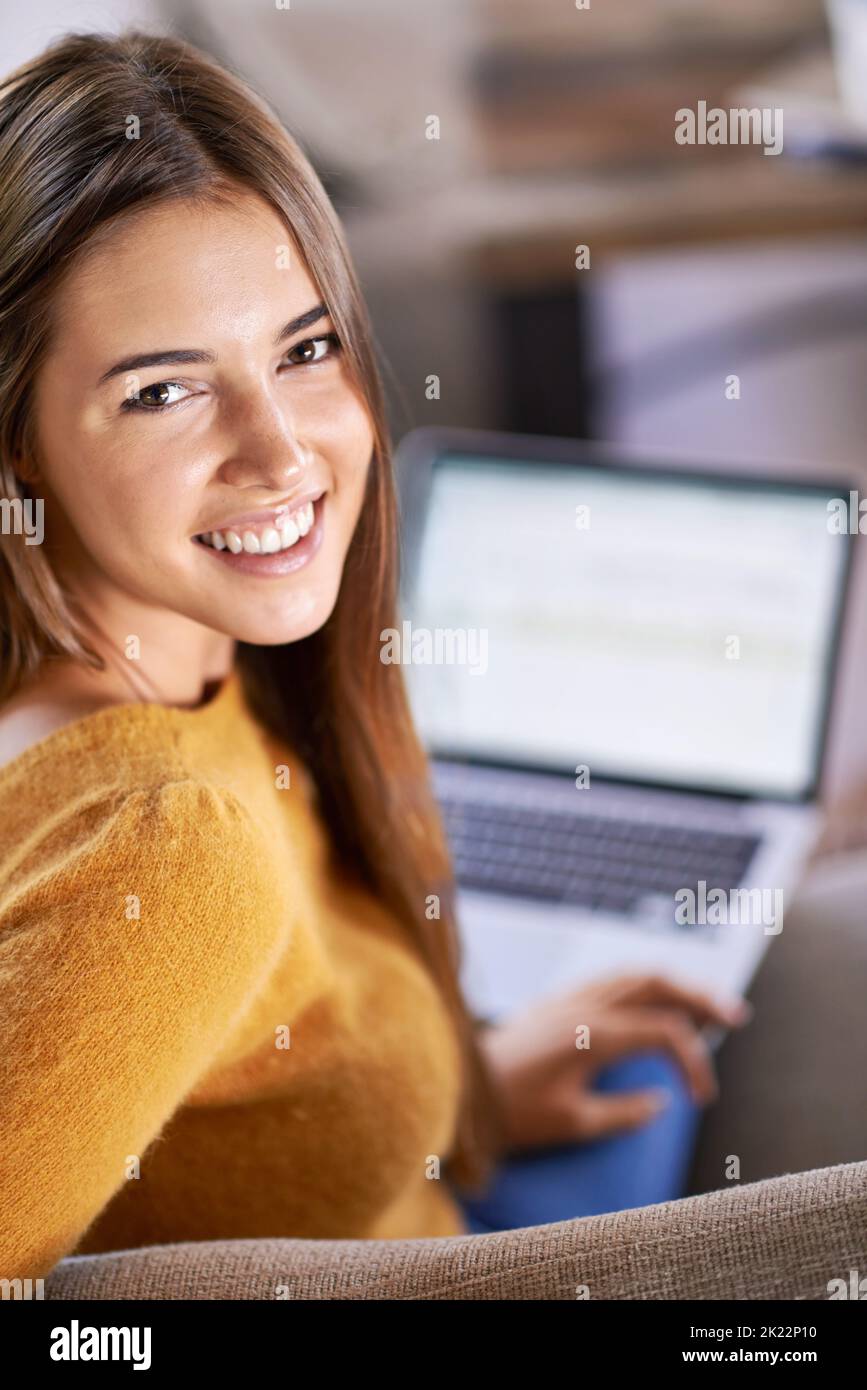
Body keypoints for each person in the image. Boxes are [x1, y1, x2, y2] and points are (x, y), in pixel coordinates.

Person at [0, 30, 748, 1282]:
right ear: (17, 433)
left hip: (449, 1171)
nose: (284, 454)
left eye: (305, 351)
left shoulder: (173, 664)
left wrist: (468, 1096)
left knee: (667, 1040)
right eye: (162, 391)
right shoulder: (165, 845)